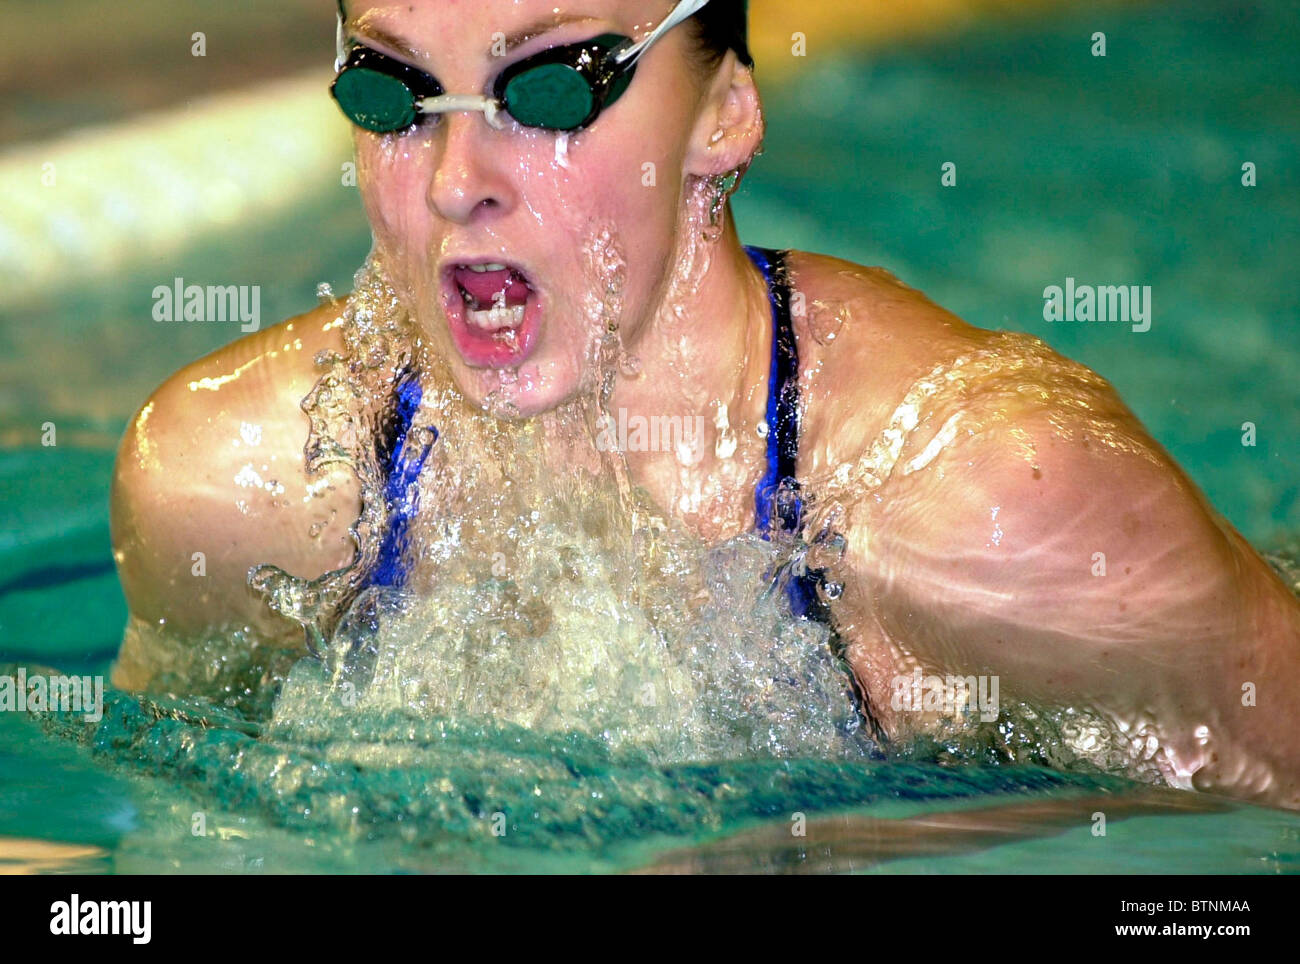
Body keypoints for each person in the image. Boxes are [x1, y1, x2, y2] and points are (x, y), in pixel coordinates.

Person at [110, 0, 1300, 808]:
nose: (455, 181)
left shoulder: (989, 501)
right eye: (396, 95)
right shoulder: (237, 487)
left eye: (549, 91)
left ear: (722, 113)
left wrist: (878, 846)